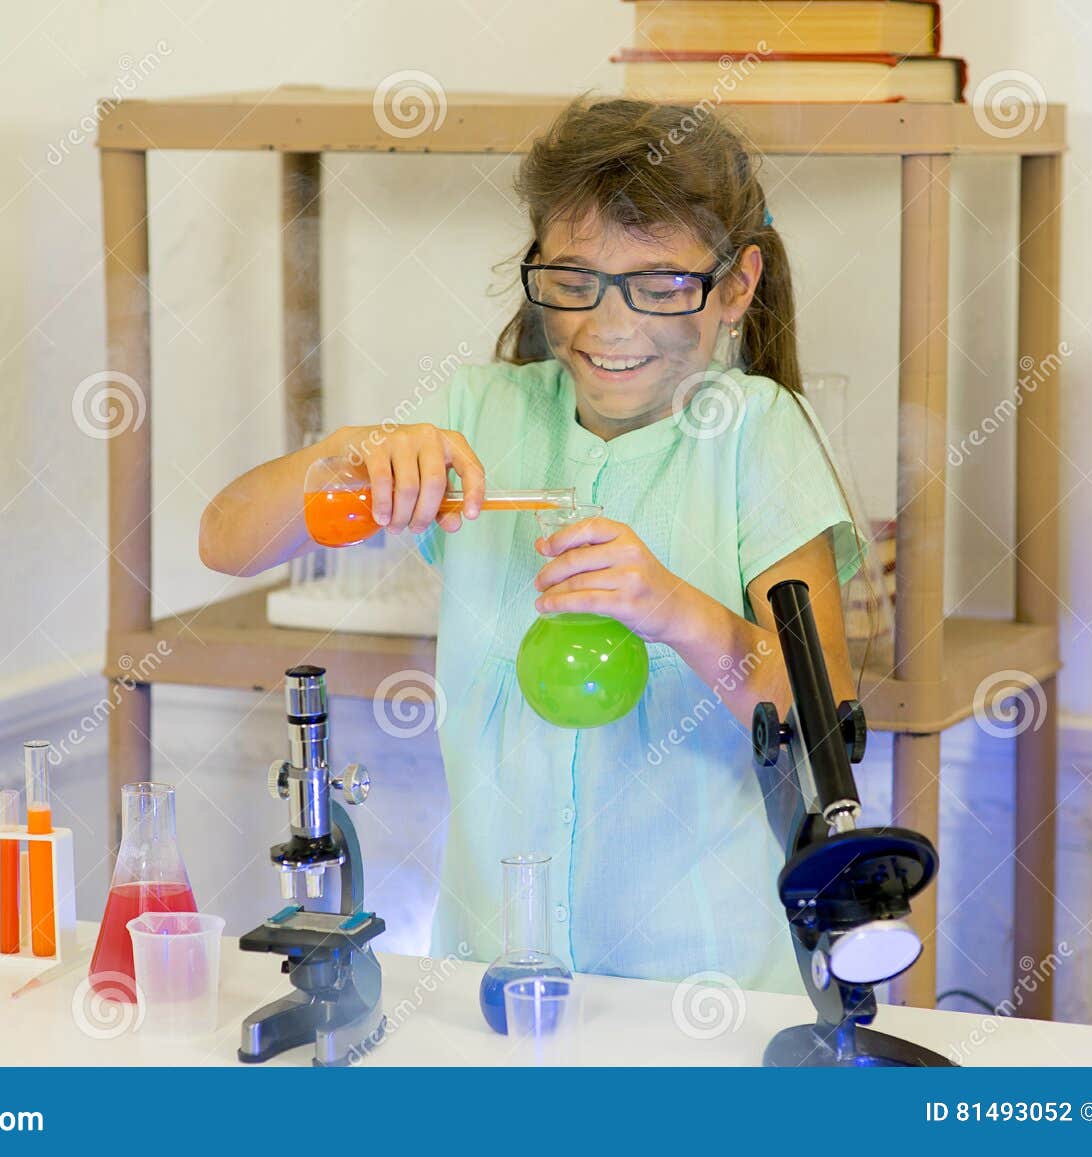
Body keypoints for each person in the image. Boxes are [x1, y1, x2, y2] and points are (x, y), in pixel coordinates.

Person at [200, 97, 864, 992]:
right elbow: (227, 539)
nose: (609, 325)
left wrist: (677, 611)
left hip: (706, 982)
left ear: (736, 285)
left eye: (661, 283)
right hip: (493, 962)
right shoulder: (479, 414)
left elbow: (822, 707)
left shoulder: (758, 433)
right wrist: (345, 454)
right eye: (574, 279)